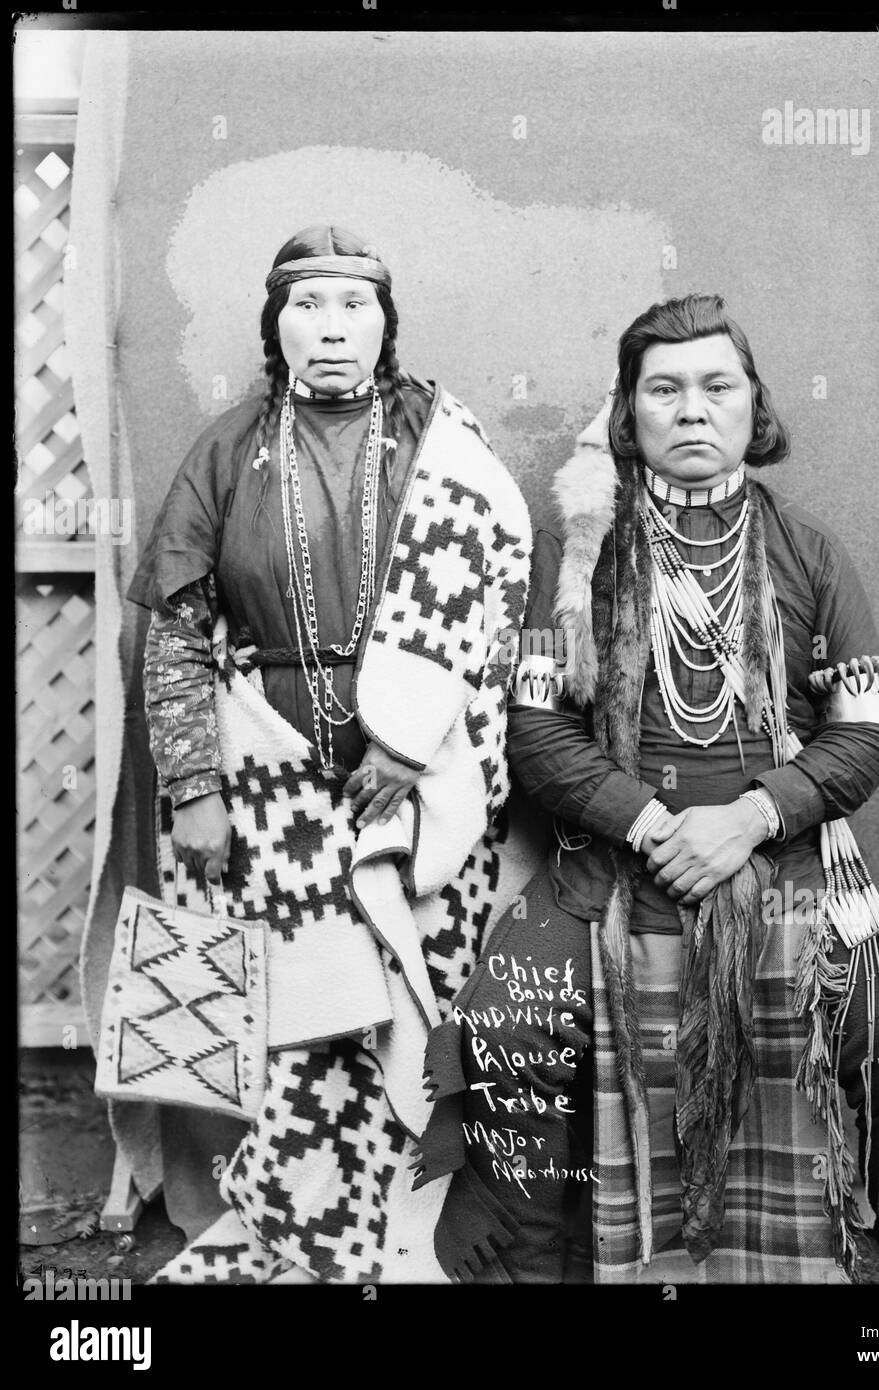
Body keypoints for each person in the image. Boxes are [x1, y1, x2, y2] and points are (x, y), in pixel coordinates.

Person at [418, 292, 879, 1285]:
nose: (691, 409)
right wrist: (650, 823)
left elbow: (866, 735)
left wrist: (748, 816)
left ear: (752, 409)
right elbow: (534, 730)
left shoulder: (809, 551)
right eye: (663, 389)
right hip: (603, 870)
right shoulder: (580, 555)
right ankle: (528, 1266)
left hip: (786, 871)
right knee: (509, 1026)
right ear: (628, 414)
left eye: (715, 387)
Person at [123, 224, 531, 1283]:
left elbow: (493, 602)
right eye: (308, 305)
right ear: (276, 326)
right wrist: (195, 788)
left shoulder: (446, 442)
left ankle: (404, 1243)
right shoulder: (226, 448)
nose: (333, 327)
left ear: (388, 324)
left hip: (424, 779)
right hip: (271, 778)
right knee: (306, 1027)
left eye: (355, 304)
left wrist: (405, 738)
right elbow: (173, 625)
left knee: (413, 1010)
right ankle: (308, 1241)